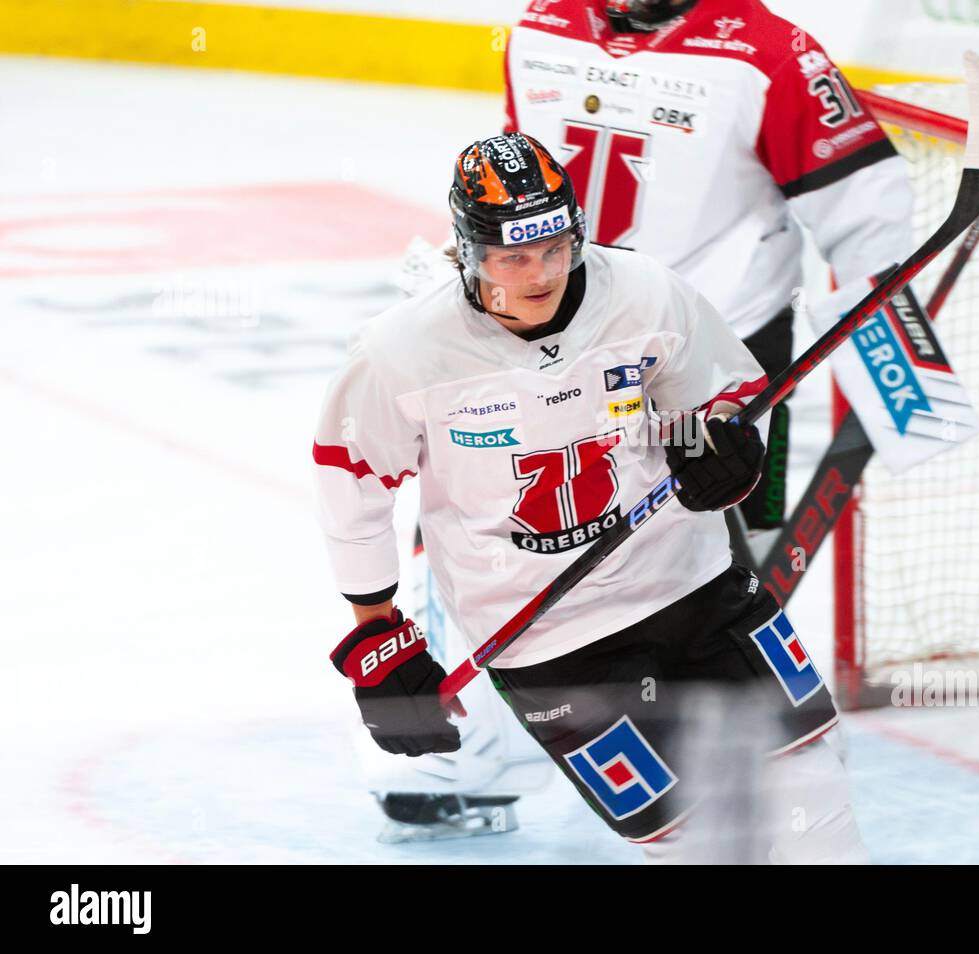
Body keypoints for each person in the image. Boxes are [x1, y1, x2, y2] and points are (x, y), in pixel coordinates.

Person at [314, 133, 867, 862]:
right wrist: (378, 637)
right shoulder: (403, 352)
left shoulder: (643, 293)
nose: (540, 273)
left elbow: (720, 398)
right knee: (693, 841)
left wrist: (721, 448)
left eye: (554, 248)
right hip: (547, 642)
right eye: (514, 257)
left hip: (693, 585)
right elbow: (352, 486)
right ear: (469, 255)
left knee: (810, 788)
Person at [504, 0, 914, 548]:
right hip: (573, 343)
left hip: (724, 353)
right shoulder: (541, 26)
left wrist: (889, 356)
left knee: (738, 554)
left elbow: (865, 208)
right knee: (567, 544)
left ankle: (757, 565)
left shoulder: (772, 55)